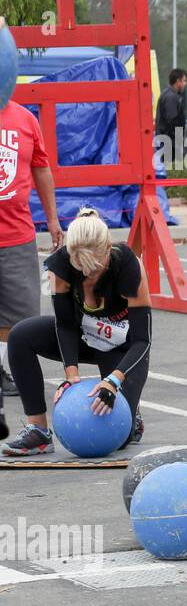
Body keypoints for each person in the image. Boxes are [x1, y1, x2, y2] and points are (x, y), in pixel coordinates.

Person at [3, 209, 150, 456]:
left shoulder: (129, 266)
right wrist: (71, 375)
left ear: (108, 249)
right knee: (20, 336)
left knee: (116, 437)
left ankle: (132, 420)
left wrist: (113, 381)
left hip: (122, 347)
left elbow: (142, 340)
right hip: (84, 338)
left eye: (94, 269)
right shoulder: (60, 265)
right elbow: (66, 325)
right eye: (80, 268)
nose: (87, 275)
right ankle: (38, 430)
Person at [0, 71, 63, 404]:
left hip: (16, 235)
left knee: (21, 317)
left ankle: (5, 369)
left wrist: (52, 219)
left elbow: (41, 167)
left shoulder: (25, 120)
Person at [154, 68, 187, 160]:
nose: (185, 84)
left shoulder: (169, 94)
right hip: (169, 144)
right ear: (178, 81)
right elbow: (172, 121)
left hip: (167, 142)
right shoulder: (171, 97)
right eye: (184, 81)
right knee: (171, 170)